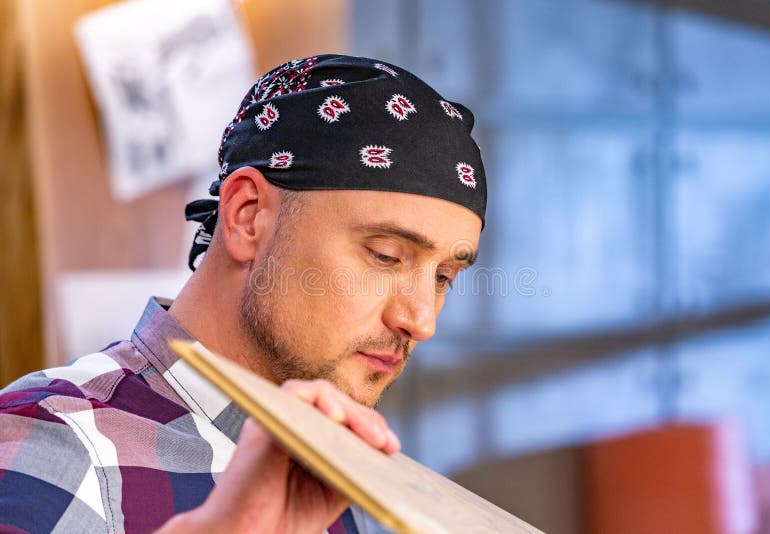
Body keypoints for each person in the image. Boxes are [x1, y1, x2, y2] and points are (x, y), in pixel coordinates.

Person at [0, 54, 485, 533]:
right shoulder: (52, 453)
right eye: (384, 254)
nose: (422, 320)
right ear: (248, 216)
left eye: (443, 277)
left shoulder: (334, 473)